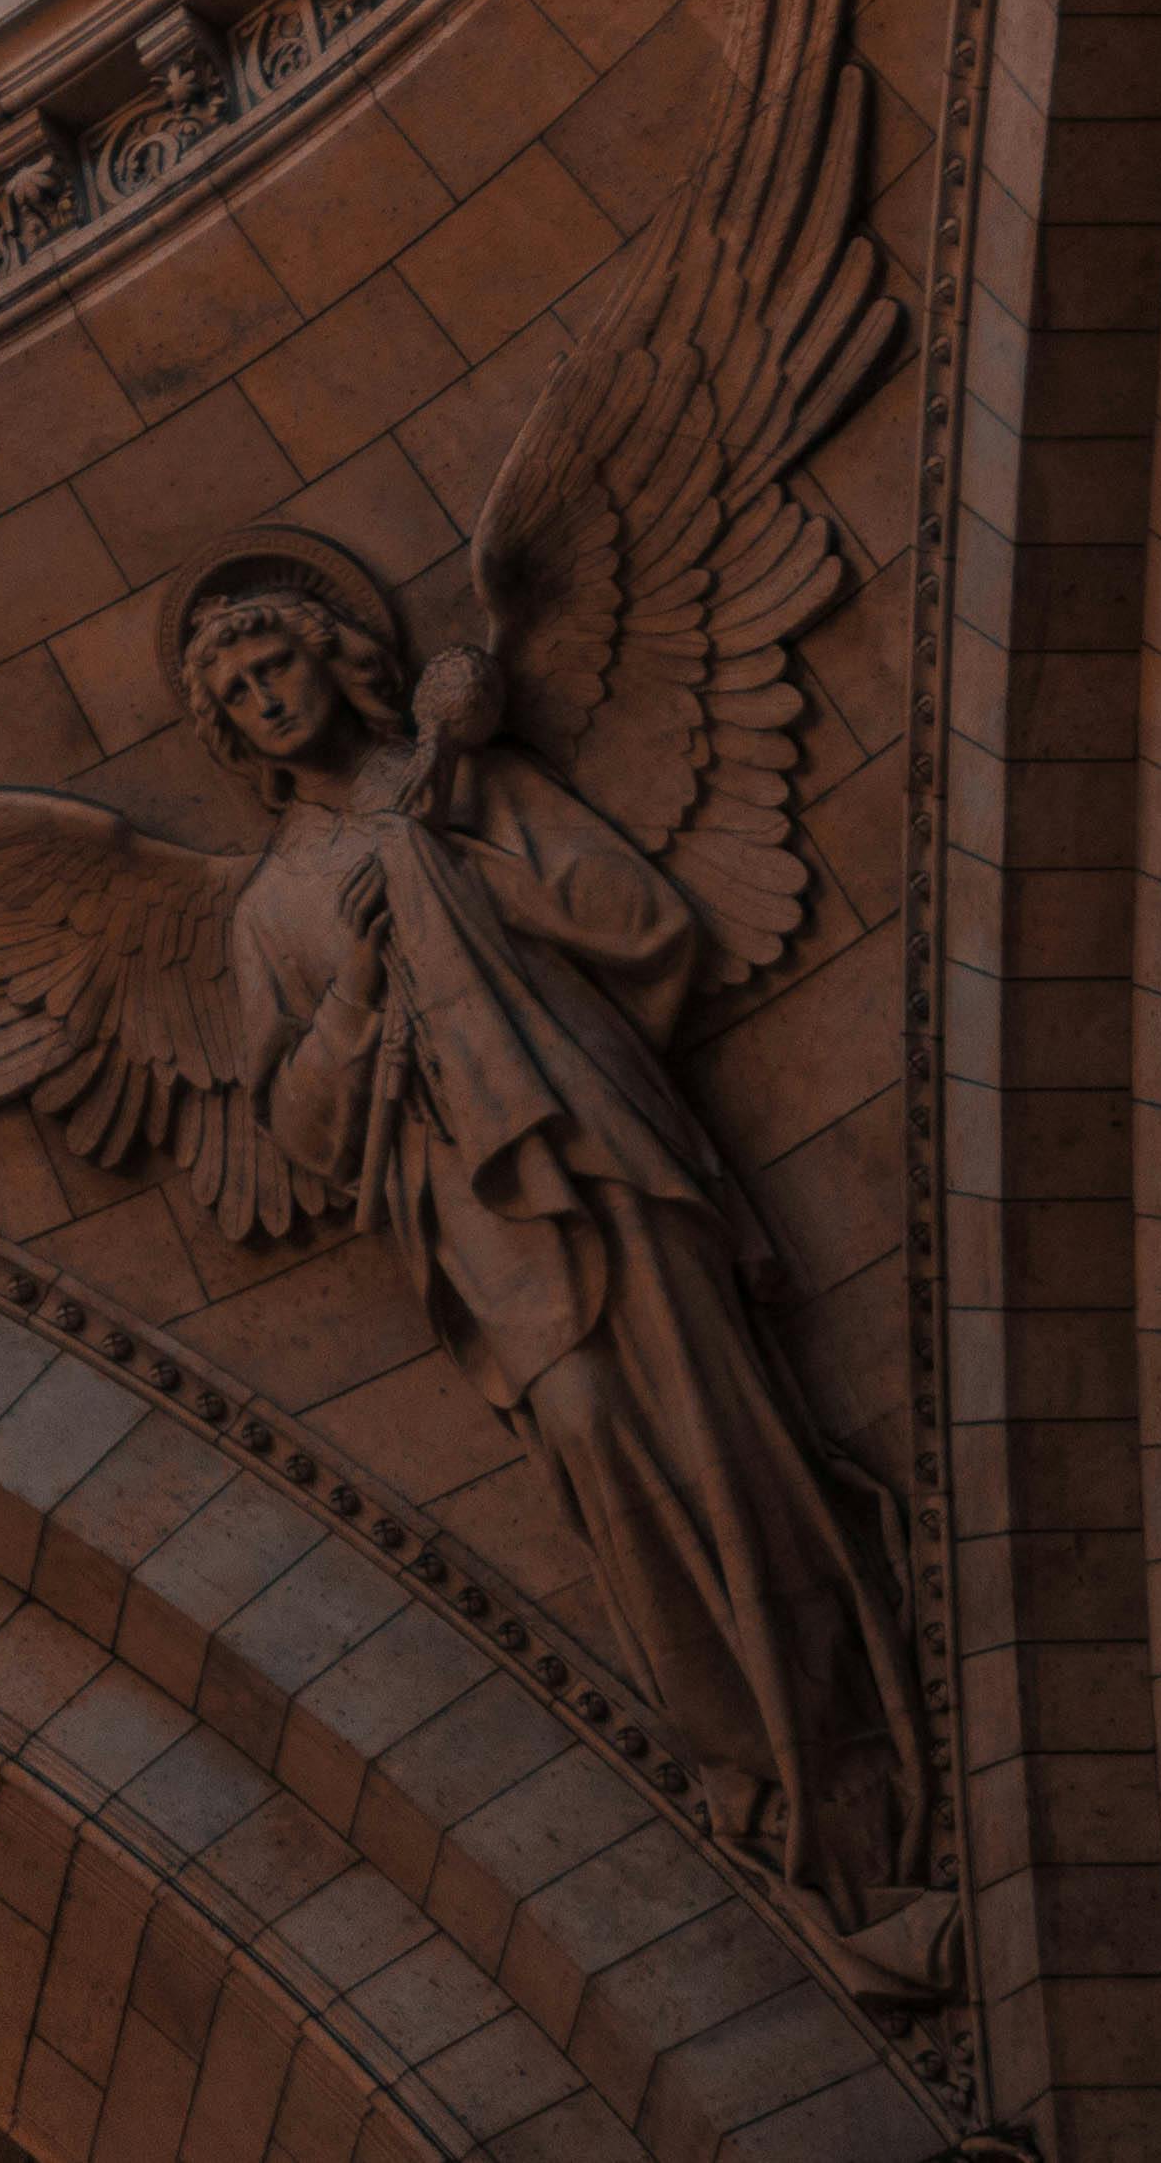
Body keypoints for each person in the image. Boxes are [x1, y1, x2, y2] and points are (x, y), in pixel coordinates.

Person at [191, 576, 928, 1932]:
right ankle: (754, 1761)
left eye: (274, 662)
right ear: (229, 734)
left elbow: (641, 921)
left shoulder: (463, 782)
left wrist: (459, 863)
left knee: (718, 1417)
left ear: (333, 659)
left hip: (594, 1134)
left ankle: (852, 1720)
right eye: (236, 693)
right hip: (473, 1210)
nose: (264, 696)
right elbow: (300, 1125)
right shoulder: (272, 906)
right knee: (588, 1425)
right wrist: (356, 981)